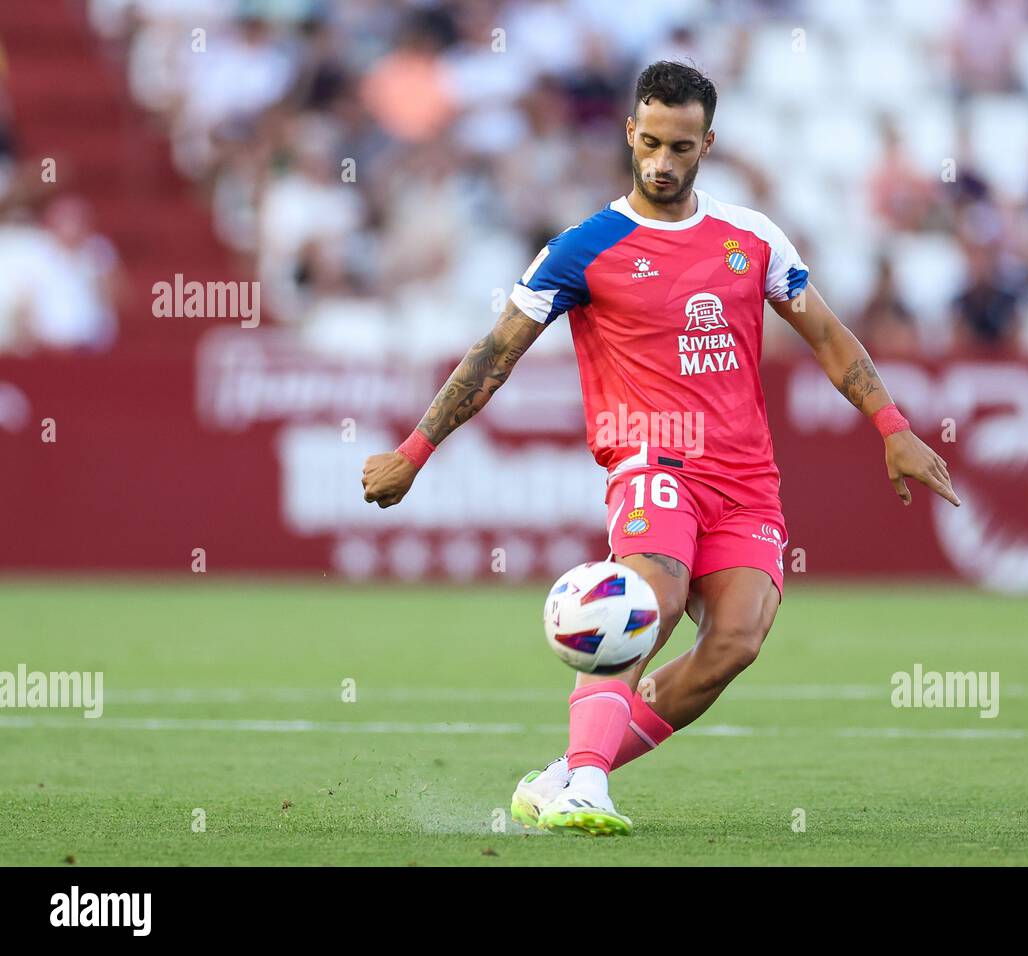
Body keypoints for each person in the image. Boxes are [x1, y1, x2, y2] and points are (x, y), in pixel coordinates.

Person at [361, 61, 959, 836]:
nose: (662, 163)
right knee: (653, 599)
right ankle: (583, 786)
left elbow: (828, 335)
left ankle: (571, 774)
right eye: (650, 143)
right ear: (629, 134)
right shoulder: (584, 247)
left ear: (707, 142)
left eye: (681, 147)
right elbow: (494, 354)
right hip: (652, 460)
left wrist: (894, 427)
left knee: (735, 643)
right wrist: (415, 449)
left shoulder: (751, 237)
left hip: (746, 479)